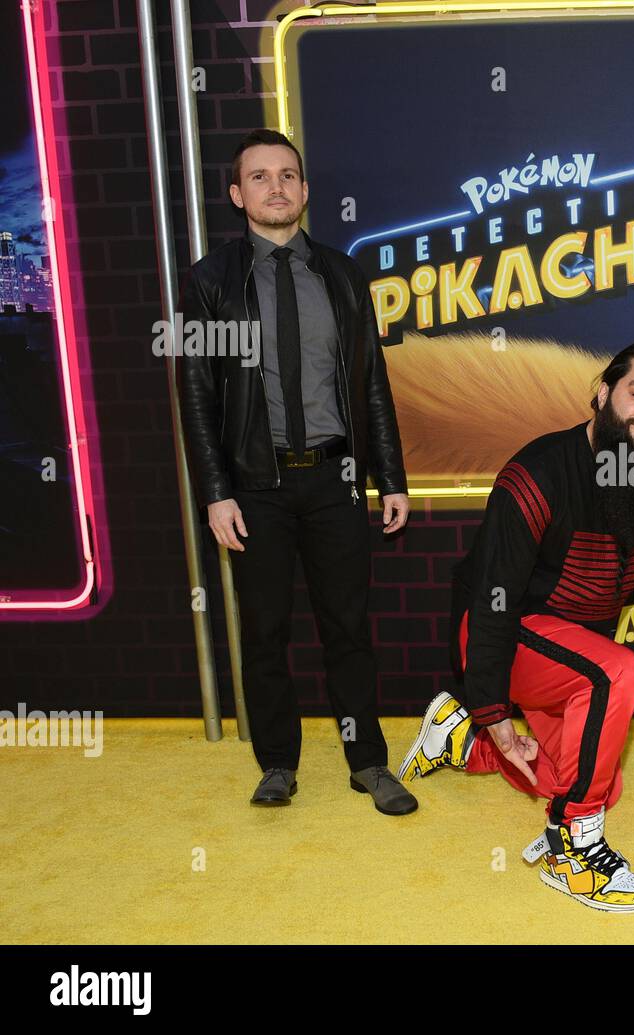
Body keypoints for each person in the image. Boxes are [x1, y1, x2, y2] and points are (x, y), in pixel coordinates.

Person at [400, 341, 634, 911]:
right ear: (602, 394)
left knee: (601, 783)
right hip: (498, 631)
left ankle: (461, 741)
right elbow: (495, 598)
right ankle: (570, 851)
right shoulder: (540, 471)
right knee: (615, 673)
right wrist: (494, 709)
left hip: (575, 657)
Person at [178, 128, 417, 815]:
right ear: (237, 194)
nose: (275, 186)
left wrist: (390, 476)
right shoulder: (210, 280)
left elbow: (374, 385)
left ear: (305, 190)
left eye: (287, 174)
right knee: (265, 631)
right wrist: (216, 494)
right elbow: (194, 393)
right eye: (259, 176)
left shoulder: (343, 275)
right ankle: (277, 761)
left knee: (348, 626)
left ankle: (367, 760)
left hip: (335, 481)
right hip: (255, 487)